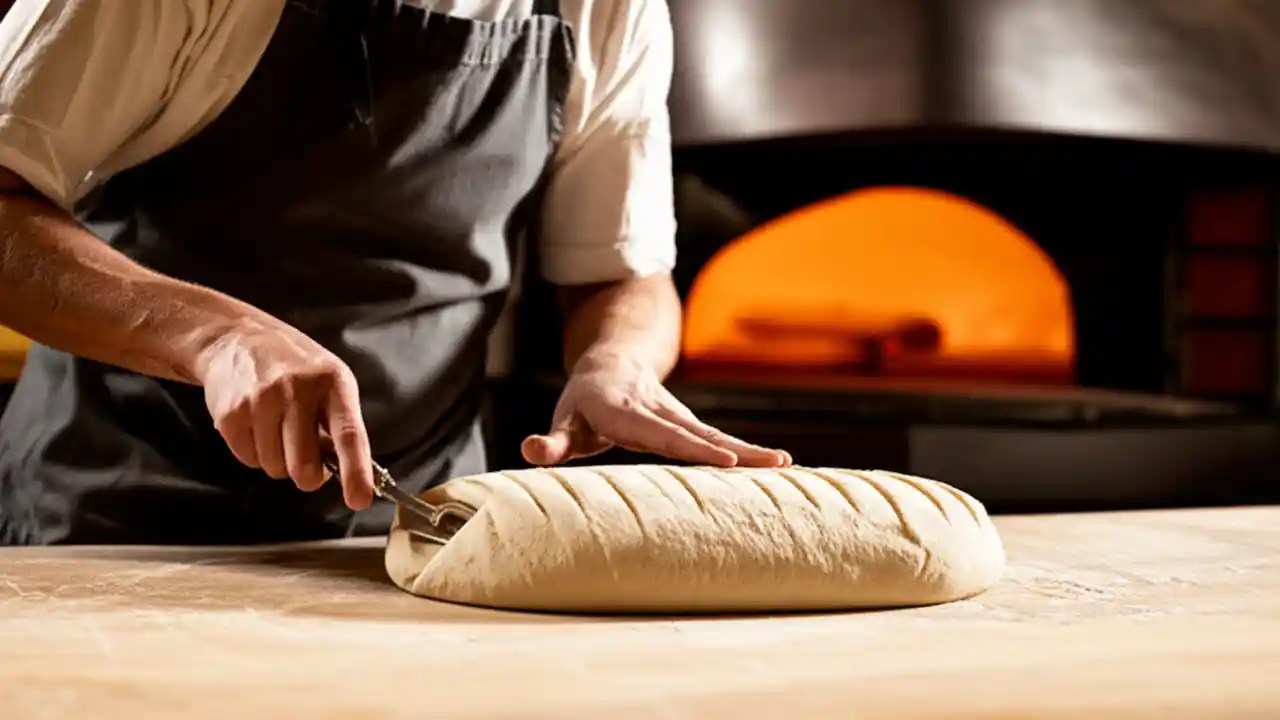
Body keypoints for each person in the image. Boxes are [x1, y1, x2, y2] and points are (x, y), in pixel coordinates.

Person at [0, 0, 791, 545]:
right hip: (115, 518)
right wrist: (216, 337)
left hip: (413, 536)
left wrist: (617, 360)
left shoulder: (602, 10)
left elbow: (623, 273)